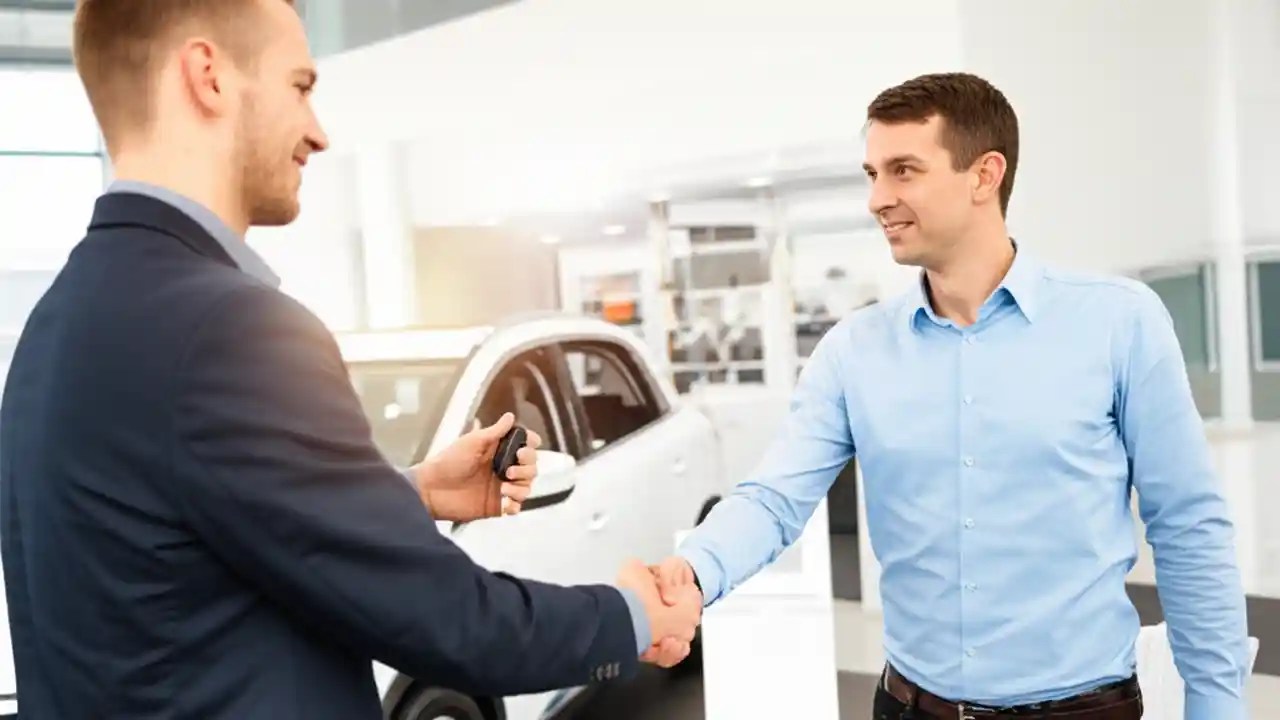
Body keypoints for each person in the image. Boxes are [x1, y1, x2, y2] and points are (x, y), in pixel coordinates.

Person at [0, 1, 699, 717]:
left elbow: (178, 547)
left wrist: (412, 492)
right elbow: (452, 619)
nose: (319, 132)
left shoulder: (54, 327)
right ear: (209, 77)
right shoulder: (231, 328)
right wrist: (633, 616)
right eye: (300, 87)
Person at [649, 72, 1252, 719]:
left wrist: (1216, 708)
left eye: (903, 171)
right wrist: (693, 572)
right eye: (872, 174)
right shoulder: (853, 350)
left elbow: (1187, 523)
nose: (878, 199)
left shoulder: (1119, 323)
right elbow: (773, 500)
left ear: (984, 175)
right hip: (910, 707)